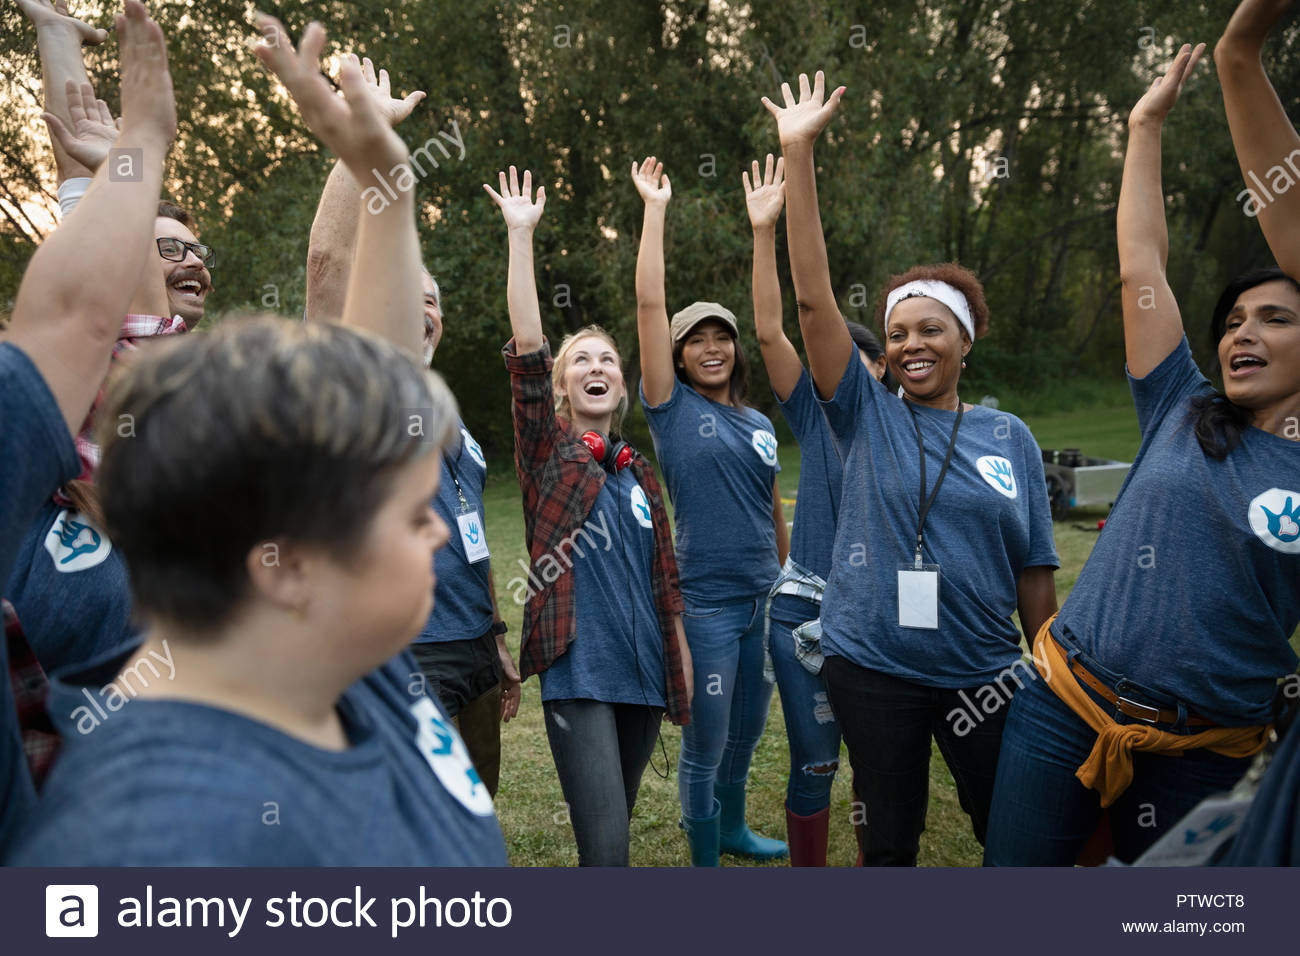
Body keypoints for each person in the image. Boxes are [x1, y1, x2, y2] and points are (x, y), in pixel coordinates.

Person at [9, 12, 507, 865]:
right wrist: (139, 145)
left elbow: (376, 395)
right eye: (403, 509)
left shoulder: (340, 652)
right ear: (285, 561)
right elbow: (80, 319)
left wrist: (386, 181)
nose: (435, 522)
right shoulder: (154, 846)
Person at [984, 43, 1300, 865]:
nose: (1243, 332)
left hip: (1205, 751)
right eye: (1233, 320)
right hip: (1063, 709)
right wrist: (1144, 126)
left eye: (1274, 318)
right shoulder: (1179, 404)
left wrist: (1242, 56)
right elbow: (1140, 268)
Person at [764, 72, 1059, 866]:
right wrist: (800, 154)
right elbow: (816, 303)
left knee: (1016, 832)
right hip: (874, 668)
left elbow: (1035, 568)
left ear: (966, 342)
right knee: (887, 837)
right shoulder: (864, 411)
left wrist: (1055, 672)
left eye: (933, 329)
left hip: (986, 672)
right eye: (898, 333)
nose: (912, 345)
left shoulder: (1010, 438)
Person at [304, 55, 520, 797]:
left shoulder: (463, 434)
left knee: (475, 819)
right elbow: (330, 266)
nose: (421, 308)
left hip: (474, 654)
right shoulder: (359, 401)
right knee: (416, 825)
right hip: (402, 655)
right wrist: (364, 141)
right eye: (409, 293)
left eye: (433, 300)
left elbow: (474, 541)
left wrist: (497, 641)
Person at [0, 0, 176, 856]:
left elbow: (98, 307)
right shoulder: (30, 474)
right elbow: (80, 308)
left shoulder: (166, 469)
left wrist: (128, 159)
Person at [489, 165, 692, 866]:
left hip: (644, 672)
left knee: (615, 838)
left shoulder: (638, 473)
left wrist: (683, 663)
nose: (596, 365)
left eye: (608, 358)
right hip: (581, 672)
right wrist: (521, 237)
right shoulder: (550, 453)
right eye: (581, 361)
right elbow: (527, 349)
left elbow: (667, 587)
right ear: (563, 385)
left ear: (621, 384)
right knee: (607, 851)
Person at [632, 156, 789, 865]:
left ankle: (731, 829)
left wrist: (788, 579)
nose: (712, 346)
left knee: (750, 728)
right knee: (708, 735)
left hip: (764, 597)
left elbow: (771, 507)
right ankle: (703, 864)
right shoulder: (669, 410)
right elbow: (649, 308)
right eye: (696, 339)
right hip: (707, 603)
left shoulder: (758, 424)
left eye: (720, 335)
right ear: (679, 356)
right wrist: (655, 211)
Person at [743, 154, 887, 865]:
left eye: (868, 359)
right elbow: (772, 331)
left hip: (881, 617)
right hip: (805, 611)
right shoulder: (819, 416)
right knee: (816, 763)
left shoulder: (909, 431)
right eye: (842, 361)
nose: (851, 371)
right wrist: (763, 231)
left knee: (879, 768)